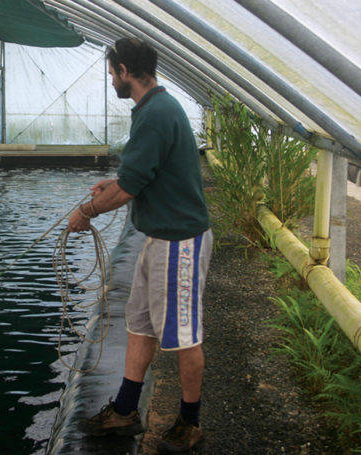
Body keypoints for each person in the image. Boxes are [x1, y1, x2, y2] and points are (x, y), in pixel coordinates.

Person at [68, 37, 212, 453]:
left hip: (179, 242)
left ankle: (190, 423)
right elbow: (145, 173)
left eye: (112, 72)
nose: (111, 79)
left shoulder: (154, 115)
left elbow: (130, 188)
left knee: (184, 334)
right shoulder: (157, 108)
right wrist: (113, 184)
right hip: (160, 238)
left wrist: (87, 211)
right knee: (141, 324)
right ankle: (126, 410)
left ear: (125, 71)